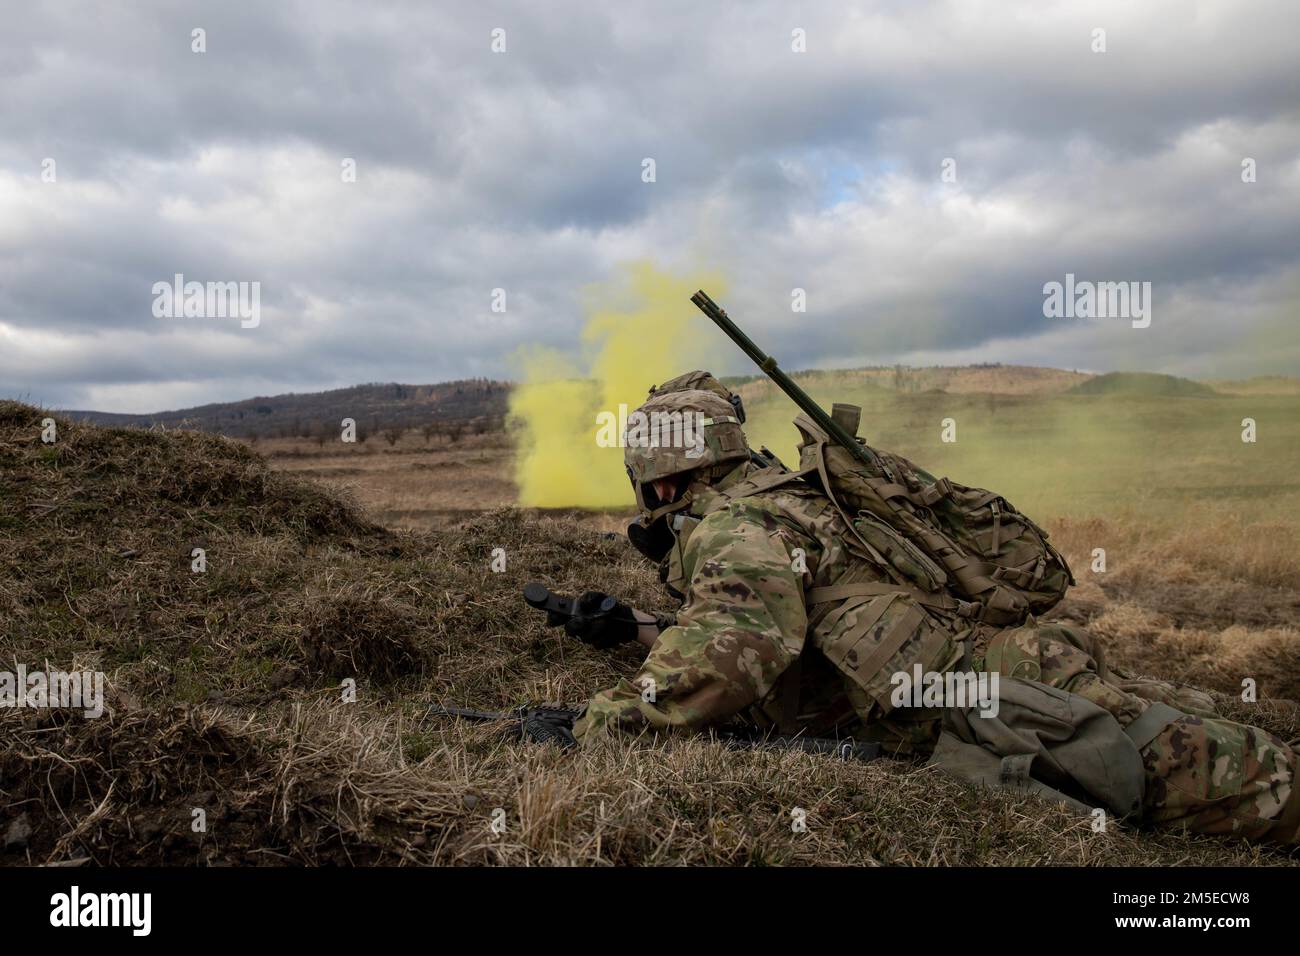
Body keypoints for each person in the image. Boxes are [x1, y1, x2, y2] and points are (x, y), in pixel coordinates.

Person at [553, 371, 1300, 844]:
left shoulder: (733, 526)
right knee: (1183, 732)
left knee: (1235, 784)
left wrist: (615, 716)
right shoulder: (800, 497)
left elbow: (737, 646)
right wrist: (635, 629)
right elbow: (798, 622)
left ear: (657, 479)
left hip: (996, 701)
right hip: (1007, 663)